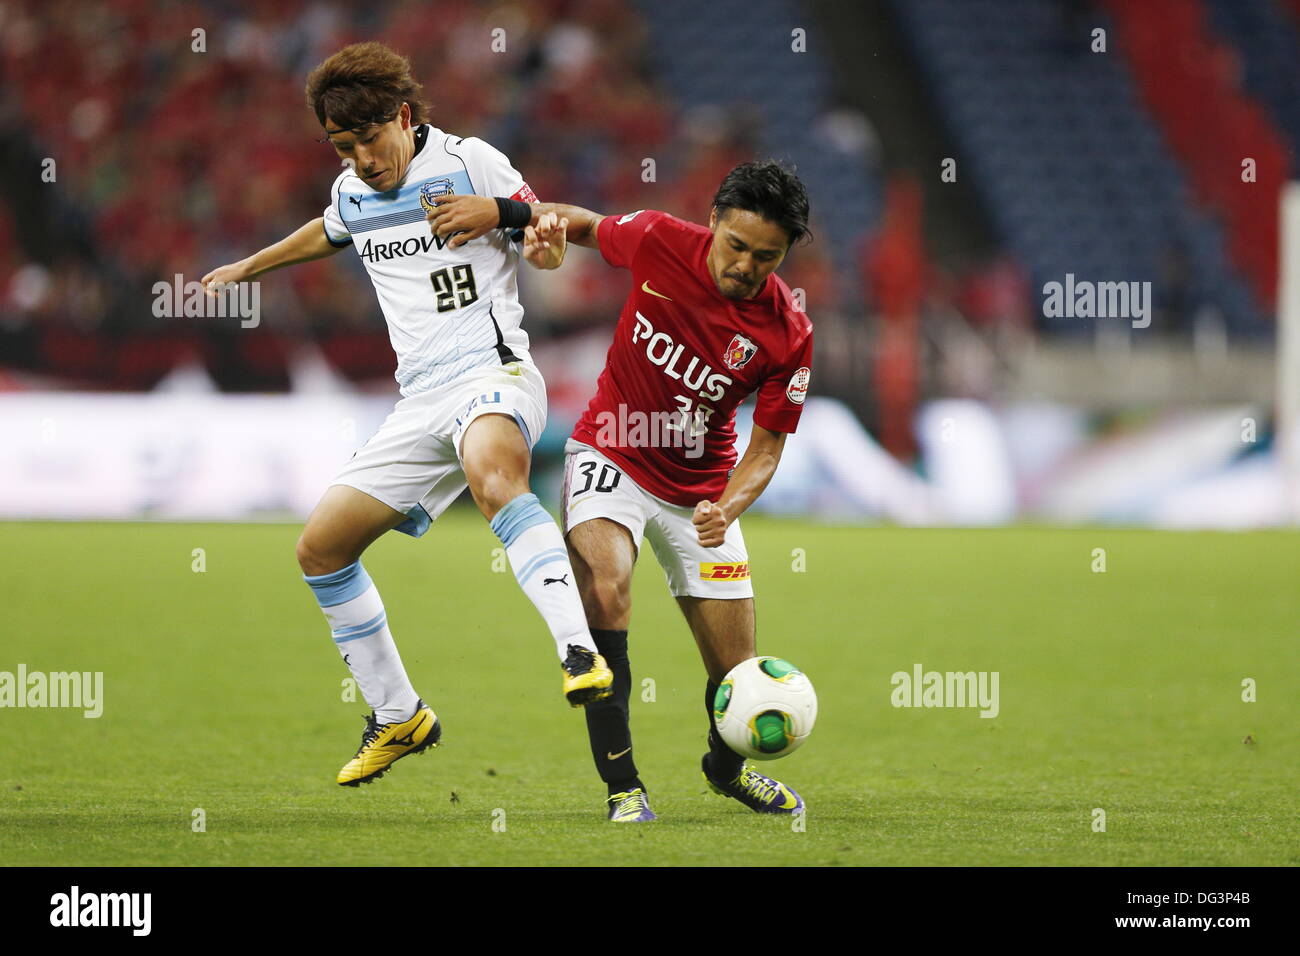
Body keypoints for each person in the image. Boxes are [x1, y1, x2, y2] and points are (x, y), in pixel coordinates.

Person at [200, 41, 612, 788]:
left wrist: (544, 248)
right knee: (320, 550)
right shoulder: (352, 190)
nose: (361, 157)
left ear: (404, 115)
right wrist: (247, 268)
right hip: (418, 401)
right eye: (342, 145)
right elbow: (328, 230)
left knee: (496, 481)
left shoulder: (469, 162)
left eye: (369, 138)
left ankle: (576, 650)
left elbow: (541, 237)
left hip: (495, 373)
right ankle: (400, 715)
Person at [426, 160, 814, 821]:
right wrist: (503, 212)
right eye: (737, 246)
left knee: (735, 676)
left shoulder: (788, 334)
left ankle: (726, 772)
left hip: (703, 494)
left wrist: (730, 506)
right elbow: (580, 224)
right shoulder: (661, 239)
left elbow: (767, 448)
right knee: (605, 587)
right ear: (714, 222)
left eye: (766, 257)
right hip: (610, 455)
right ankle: (624, 787)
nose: (746, 266)